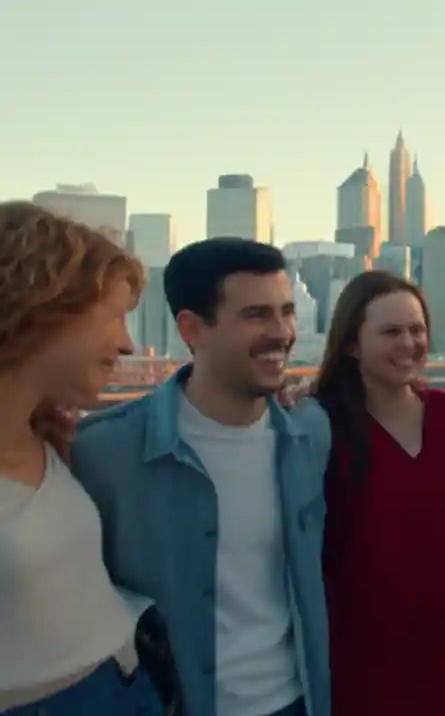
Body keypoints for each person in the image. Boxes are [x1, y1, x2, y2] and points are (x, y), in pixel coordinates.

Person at [70, 238, 332, 716]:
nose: (282, 332)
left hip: (299, 701)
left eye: (287, 311)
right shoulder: (102, 453)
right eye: (256, 315)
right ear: (193, 328)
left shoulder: (311, 433)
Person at [0, 202, 166, 716]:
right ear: (47, 308)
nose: (127, 342)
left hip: (127, 682)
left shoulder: (45, 438)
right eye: (115, 316)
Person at [312, 271, 445, 714]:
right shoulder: (317, 428)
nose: (410, 342)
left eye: (417, 329)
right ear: (351, 344)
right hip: (362, 652)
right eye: (391, 331)